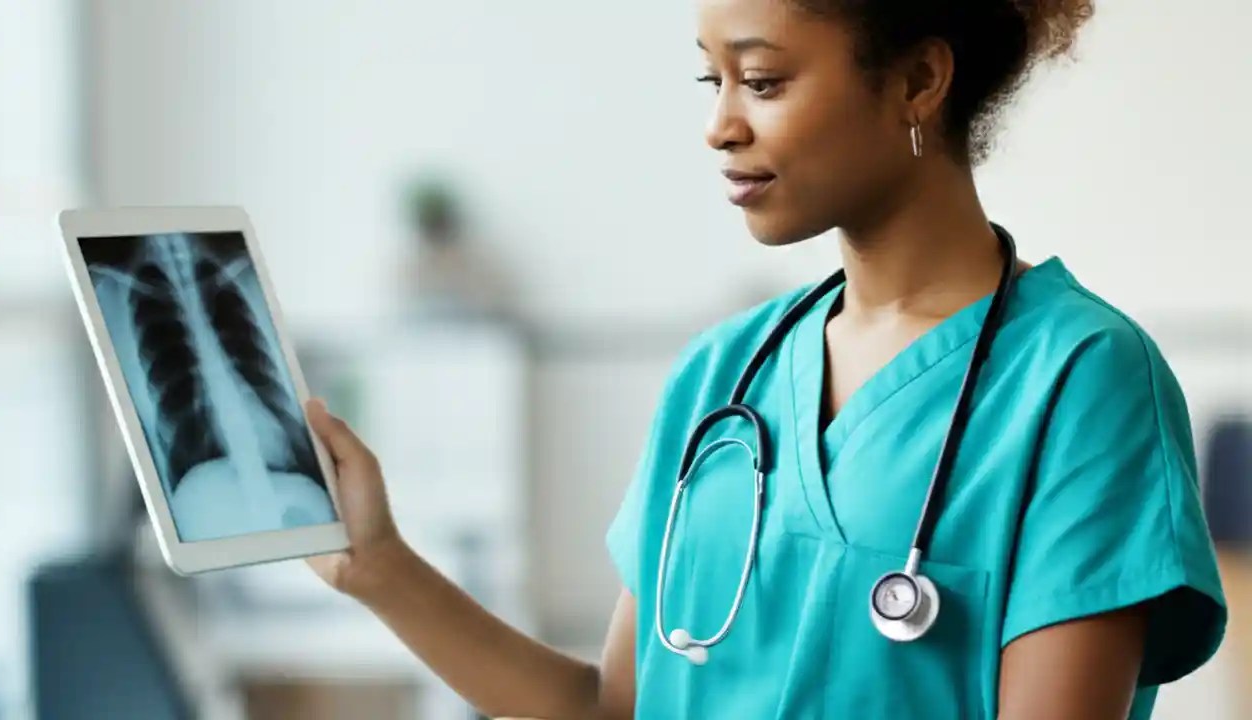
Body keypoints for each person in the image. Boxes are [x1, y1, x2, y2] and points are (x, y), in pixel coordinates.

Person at [302, 0, 1228, 717]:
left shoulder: (1082, 380)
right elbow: (613, 707)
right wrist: (380, 568)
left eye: (765, 81)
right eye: (713, 82)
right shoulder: (722, 375)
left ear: (917, 82)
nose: (721, 126)